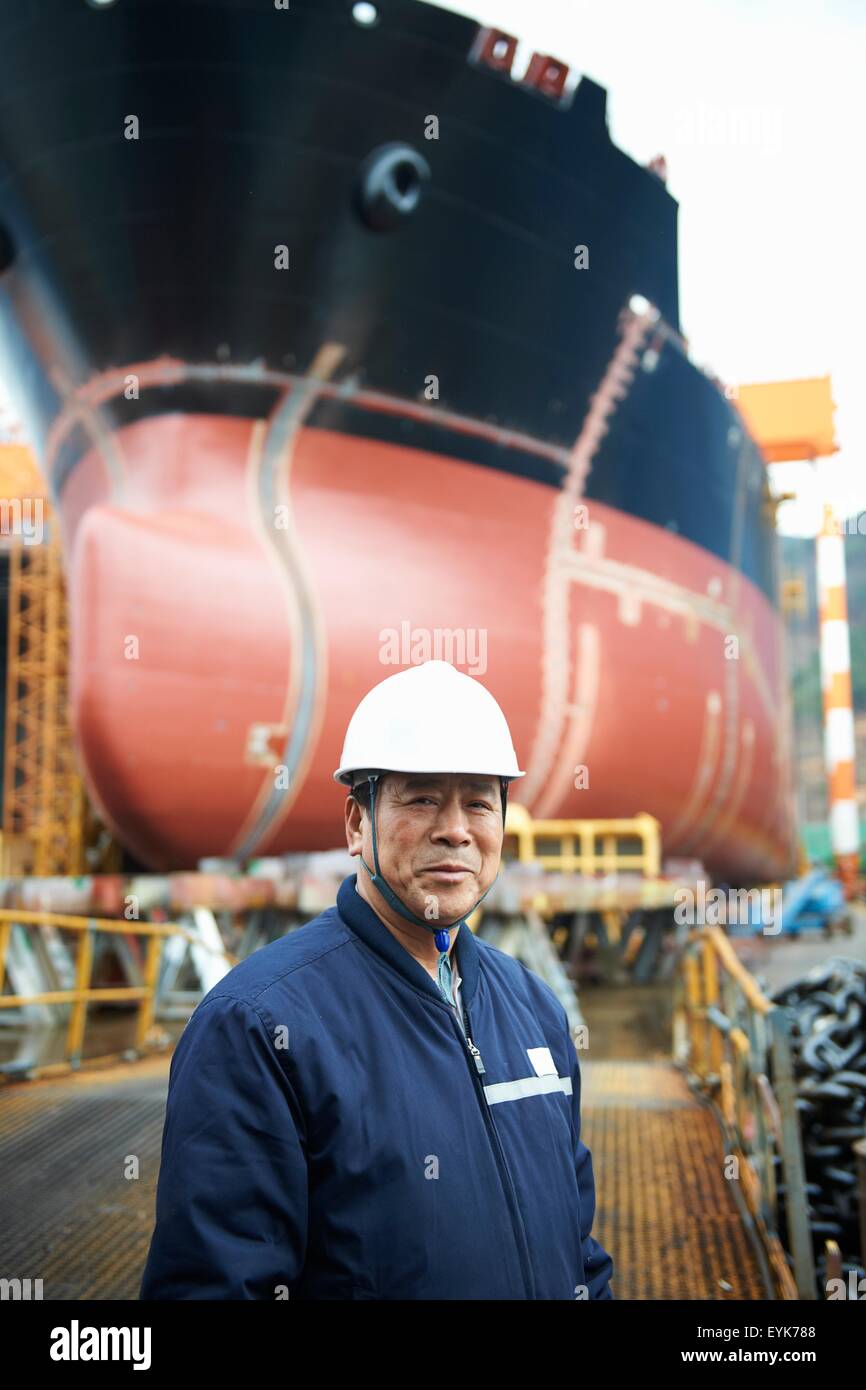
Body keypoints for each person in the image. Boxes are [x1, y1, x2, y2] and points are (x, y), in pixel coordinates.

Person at [140, 659, 614, 1300]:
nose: (455, 829)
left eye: (479, 801)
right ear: (357, 823)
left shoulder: (534, 1009)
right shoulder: (257, 1026)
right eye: (421, 798)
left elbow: (577, 1253)